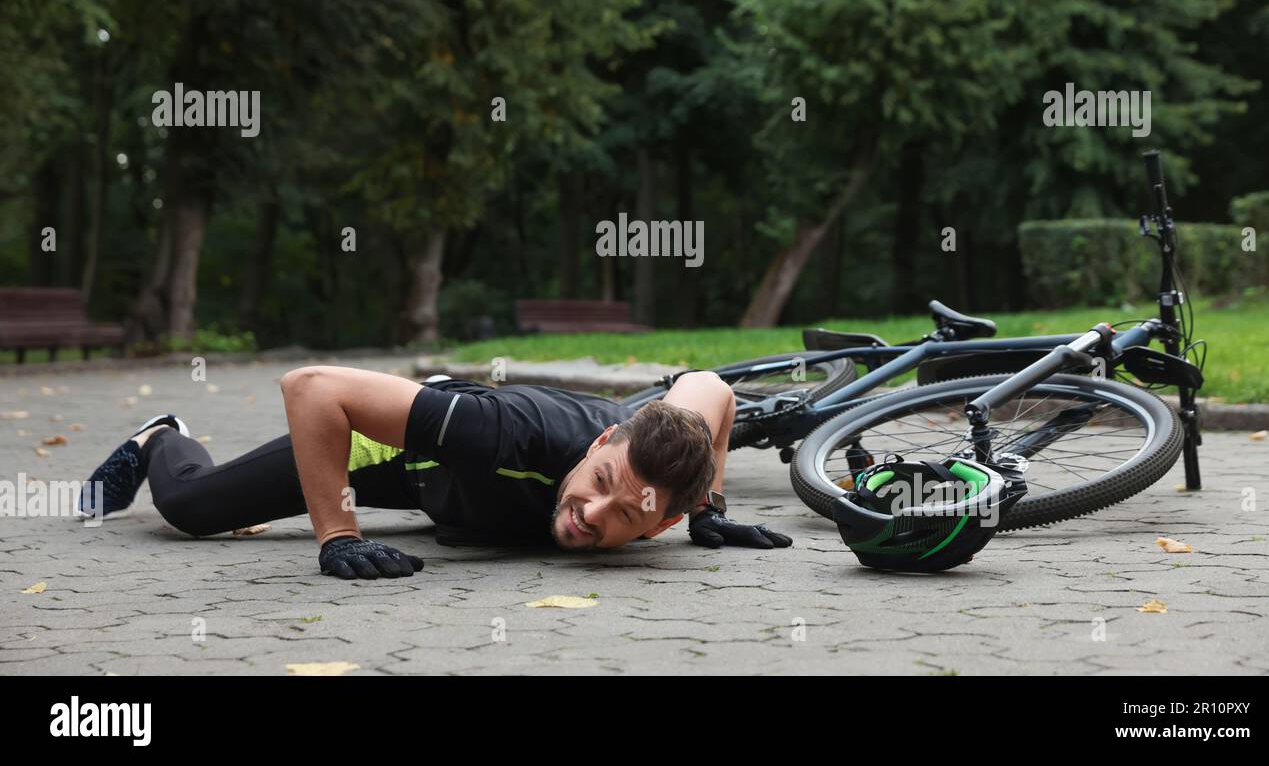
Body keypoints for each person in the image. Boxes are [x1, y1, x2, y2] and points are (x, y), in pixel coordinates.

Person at [76, 368, 793, 580]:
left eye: (627, 518)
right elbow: (311, 387)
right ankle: (160, 436)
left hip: (455, 493)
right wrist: (337, 534)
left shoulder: (666, 473)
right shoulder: (509, 435)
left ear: (661, 517)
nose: (592, 513)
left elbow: (711, 387)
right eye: (599, 481)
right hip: (399, 456)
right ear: (603, 440)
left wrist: (710, 510)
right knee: (195, 507)